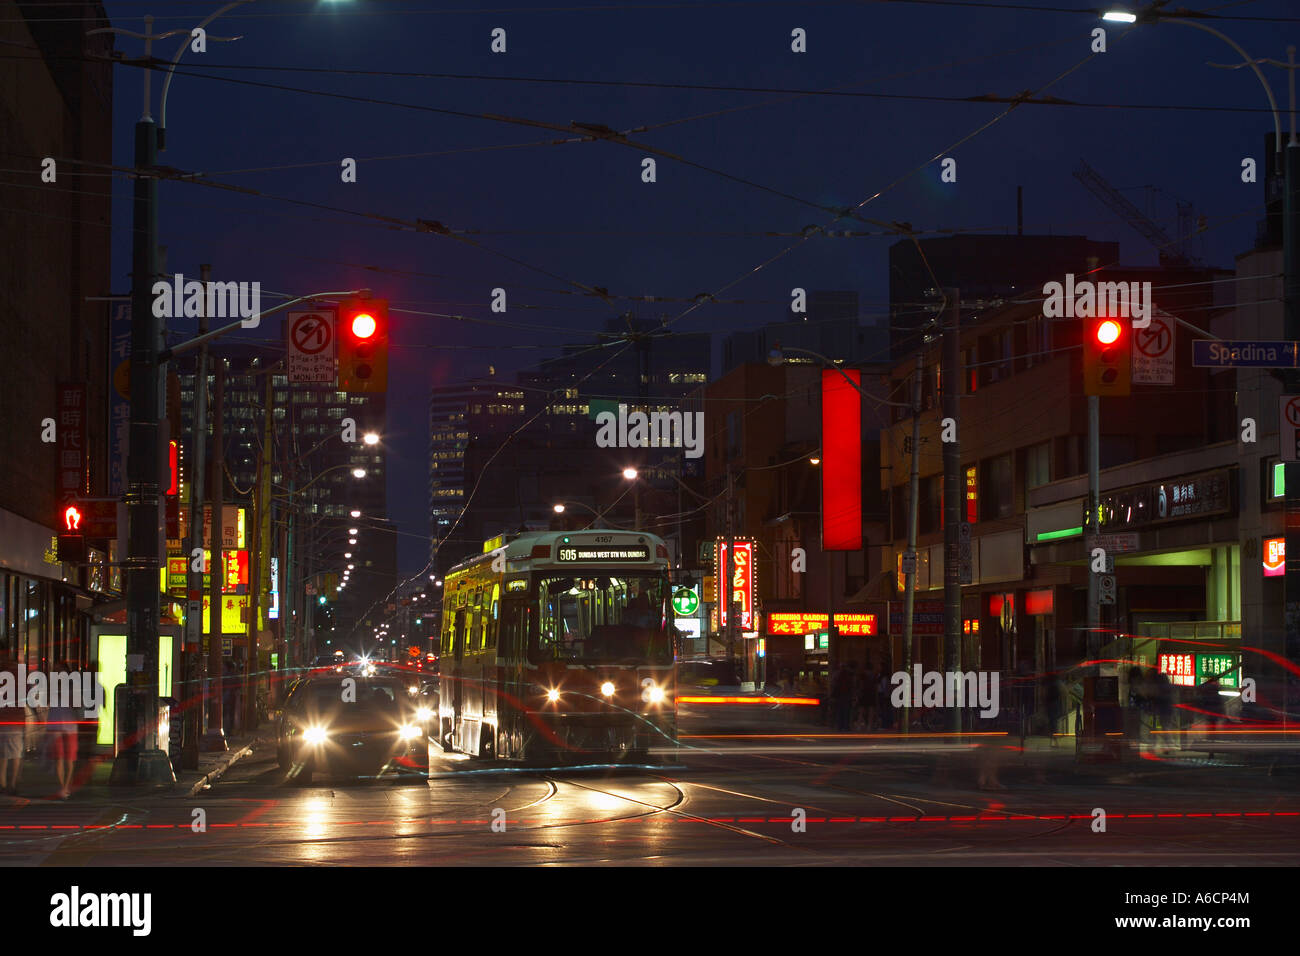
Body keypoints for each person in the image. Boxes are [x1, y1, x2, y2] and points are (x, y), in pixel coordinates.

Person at [47, 662, 80, 800]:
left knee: (69, 759)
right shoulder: (51, 687)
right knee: (59, 758)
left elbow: (76, 704)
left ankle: (66, 787)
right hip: (55, 725)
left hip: (69, 725)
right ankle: (63, 788)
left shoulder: (72, 686)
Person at [0, 662, 26, 796]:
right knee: (15, 754)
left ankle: (3, 784)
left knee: (3, 755)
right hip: (16, 720)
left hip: (3, 720)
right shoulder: (19, 675)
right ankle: (13, 784)